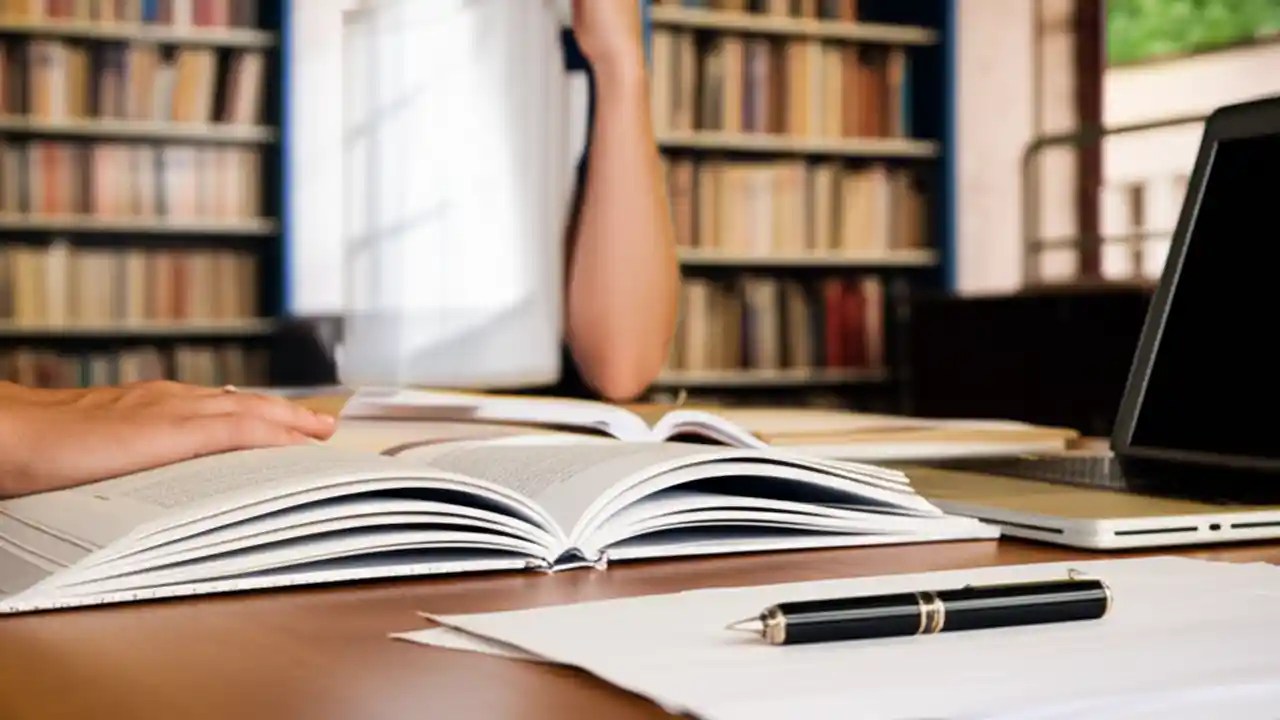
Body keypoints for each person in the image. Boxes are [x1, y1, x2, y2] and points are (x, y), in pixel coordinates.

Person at [0, 0, 676, 499]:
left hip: (525, 463)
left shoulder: (561, 41)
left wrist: (620, 68)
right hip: (327, 429)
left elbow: (621, 367)